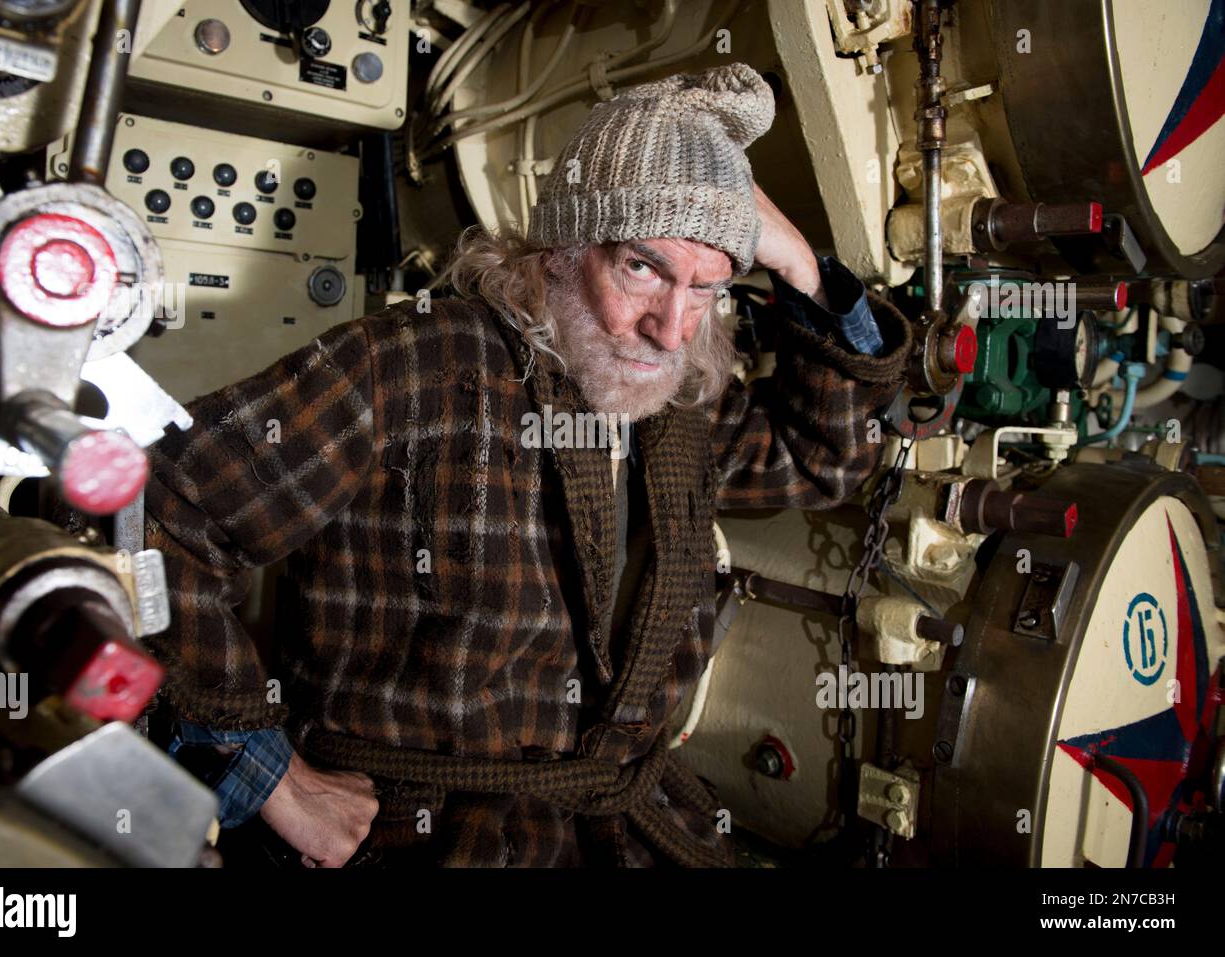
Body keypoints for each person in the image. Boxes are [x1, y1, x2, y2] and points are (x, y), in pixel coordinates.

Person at [144, 62, 912, 867]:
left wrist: (805, 271)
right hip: (423, 836)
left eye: (707, 289)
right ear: (559, 250)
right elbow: (154, 513)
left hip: (625, 822)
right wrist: (272, 780)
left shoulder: (674, 404)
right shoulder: (416, 362)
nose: (671, 328)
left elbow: (822, 460)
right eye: (642, 268)